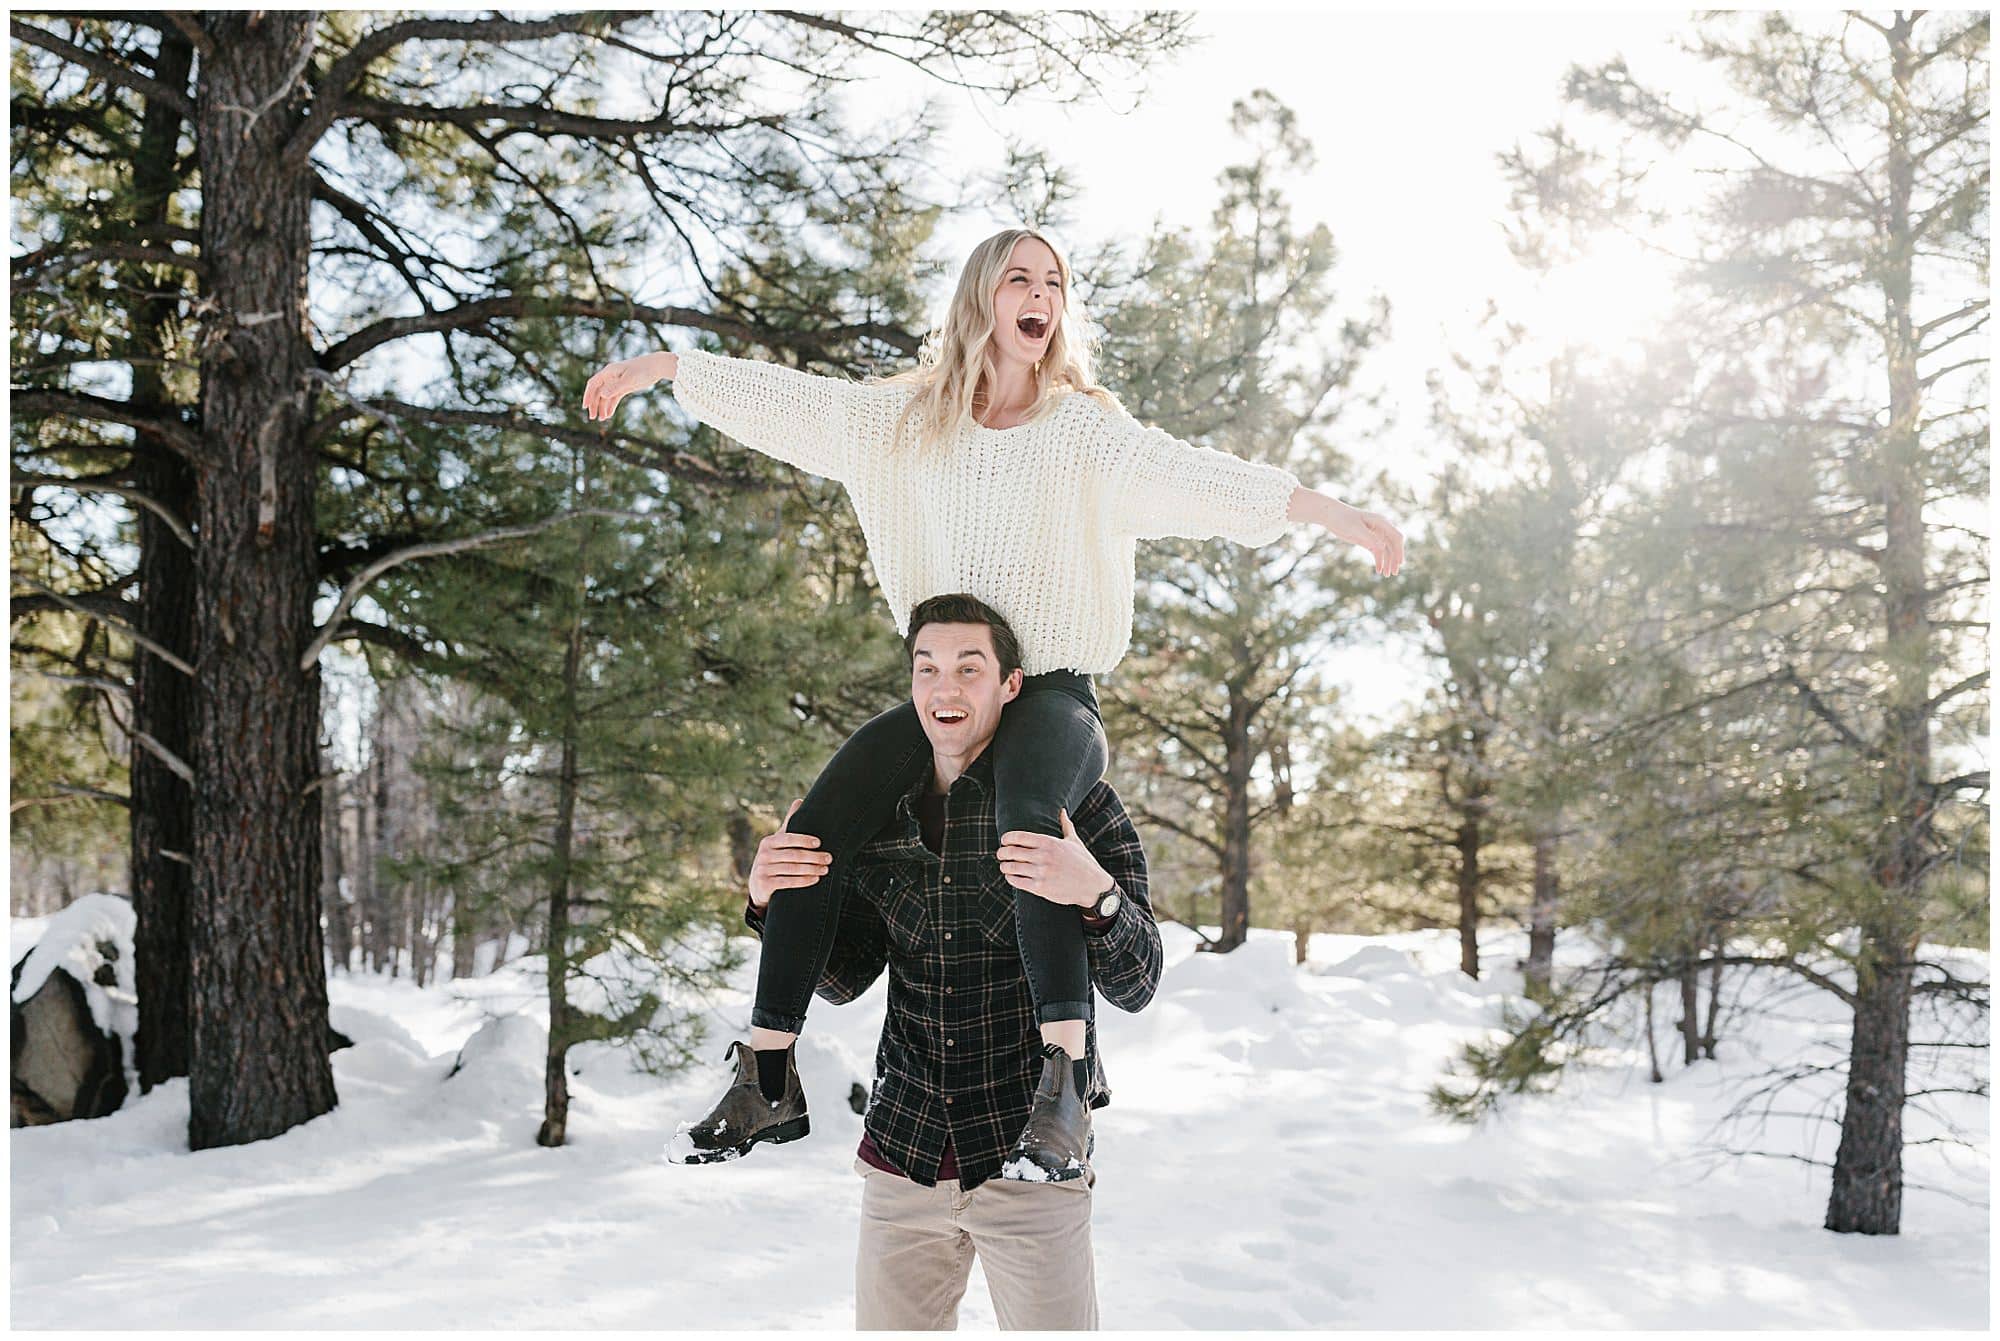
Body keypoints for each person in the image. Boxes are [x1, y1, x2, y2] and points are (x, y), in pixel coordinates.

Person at [585, 227, 1403, 1174]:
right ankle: (769, 1073)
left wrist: (1330, 513)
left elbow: (1199, 479)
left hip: (1051, 695)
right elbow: (792, 404)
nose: (1041, 294)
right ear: (981, 298)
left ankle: (1062, 1081)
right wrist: (668, 368)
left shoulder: (1083, 431)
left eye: (1054, 281)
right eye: (1020, 276)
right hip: (949, 694)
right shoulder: (907, 421)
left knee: (1027, 820)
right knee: (813, 824)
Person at [744, 594, 1162, 1329]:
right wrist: (768, 898)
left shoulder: (1076, 805)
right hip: (902, 1157)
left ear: (1010, 685)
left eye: (970, 668)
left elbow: (1139, 981)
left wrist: (1092, 892)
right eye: (927, 667)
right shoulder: (878, 810)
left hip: (1030, 1161)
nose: (946, 687)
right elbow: (844, 978)